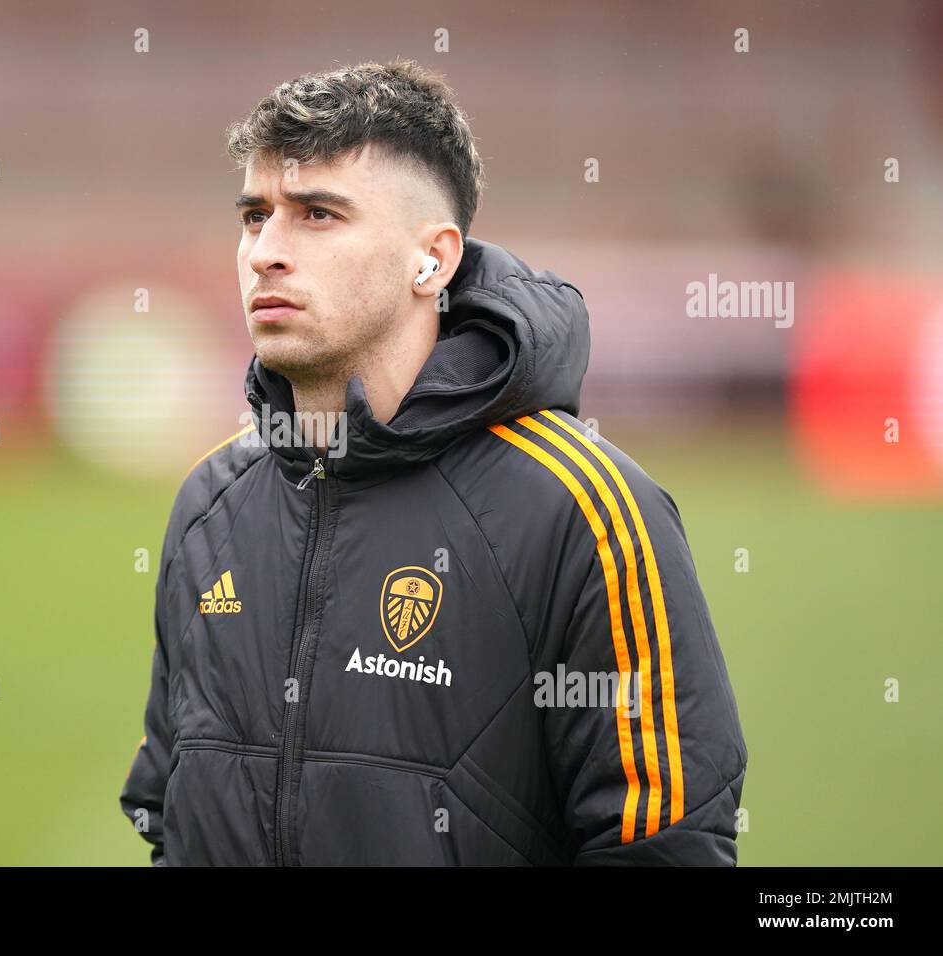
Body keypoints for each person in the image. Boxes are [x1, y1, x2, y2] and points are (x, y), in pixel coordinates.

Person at [119, 59, 747, 866]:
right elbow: (167, 810)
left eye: (317, 214)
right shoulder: (210, 503)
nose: (266, 251)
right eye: (253, 216)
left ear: (433, 260)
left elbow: (664, 847)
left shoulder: (584, 509)